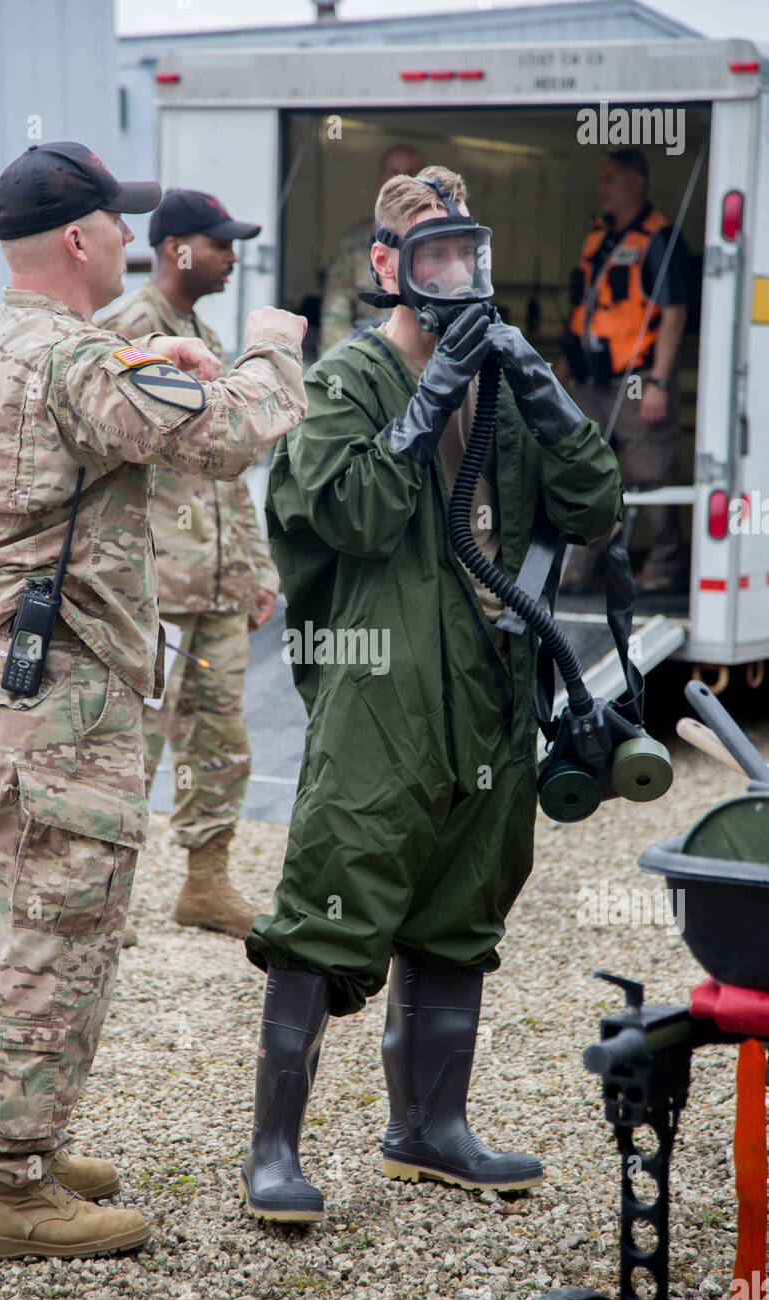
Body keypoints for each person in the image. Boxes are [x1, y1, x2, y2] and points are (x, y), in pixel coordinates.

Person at [0, 140, 306, 1259]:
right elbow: (232, 433)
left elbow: (111, 402)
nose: (131, 243)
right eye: (117, 224)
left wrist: (158, 353)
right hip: (61, 689)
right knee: (61, 920)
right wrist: (269, 350)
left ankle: (10, 1141)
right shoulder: (69, 360)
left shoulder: (1, 335)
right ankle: (9, 1191)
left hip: (2, 671)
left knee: (8, 917)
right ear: (78, 239)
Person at [239, 165, 621, 1223]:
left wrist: (538, 391)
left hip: (494, 688)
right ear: (385, 266)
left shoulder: (506, 373)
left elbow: (593, 510)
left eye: (463, 254)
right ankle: (272, 1151)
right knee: (329, 898)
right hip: (384, 693)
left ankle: (427, 1129)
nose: (451, 274)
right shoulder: (348, 379)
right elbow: (348, 512)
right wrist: (432, 401)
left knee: (462, 909)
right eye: (428, 257)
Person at [100, 189, 280, 939]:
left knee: (219, 740)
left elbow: (225, 471)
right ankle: (103, 900)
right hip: (152, 591)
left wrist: (255, 569)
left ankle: (205, 884)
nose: (233, 256)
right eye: (220, 243)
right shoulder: (126, 332)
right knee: (130, 743)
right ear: (177, 248)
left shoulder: (199, 334)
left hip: (213, 589)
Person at [556, 149, 691, 595]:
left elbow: (673, 314)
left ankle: (666, 565)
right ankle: (578, 564)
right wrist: (564, 361)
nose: (602, 188)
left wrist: (659, 381)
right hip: (590, 380)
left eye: (610, 180)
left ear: (637, 184)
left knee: (649, 471)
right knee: (583, 469)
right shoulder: (599, 236)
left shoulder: (660, 239)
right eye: (601, 180)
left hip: (637, 379)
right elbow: (583, 308)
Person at [317, 143, 423, 354]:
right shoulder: (353, 243)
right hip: (367, 356)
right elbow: (335, 319)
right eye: (393, 171)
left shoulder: (437, 243)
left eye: (410, 172)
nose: (401, 179)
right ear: (380, 178)